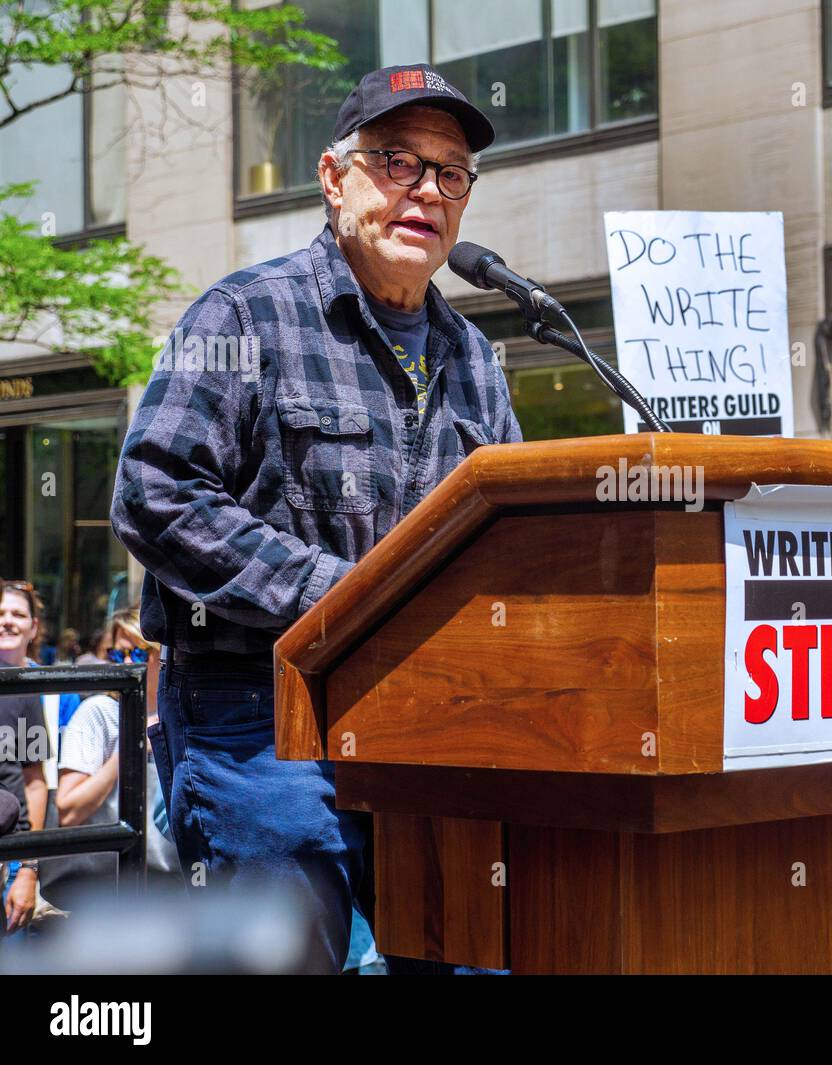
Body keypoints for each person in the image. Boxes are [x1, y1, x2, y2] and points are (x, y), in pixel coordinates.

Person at [110, 64, 518, 974]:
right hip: (260, 720)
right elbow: (154, 490)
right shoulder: (240, 314)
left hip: (432, 727)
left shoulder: (478, 360)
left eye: (450, 173)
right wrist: (345, 599)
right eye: (398, 162)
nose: (427, 190)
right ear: (335, 180)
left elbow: (511, 547)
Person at [43, 608, 181, 908]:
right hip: (109, 890)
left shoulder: (182, 713)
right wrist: (127, 752)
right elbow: (68, 810)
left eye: (139, 652)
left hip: (176, 889)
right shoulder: (99, 713)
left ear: (162, 653)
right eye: (119, 655)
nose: (129, 663)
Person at [0, 580, 50, 934]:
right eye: (0, 613)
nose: (7, 621)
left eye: (17, 613)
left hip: (10, 858)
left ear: (33, 627)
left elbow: (33, 781)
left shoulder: (27, 688)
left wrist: (27, 870)